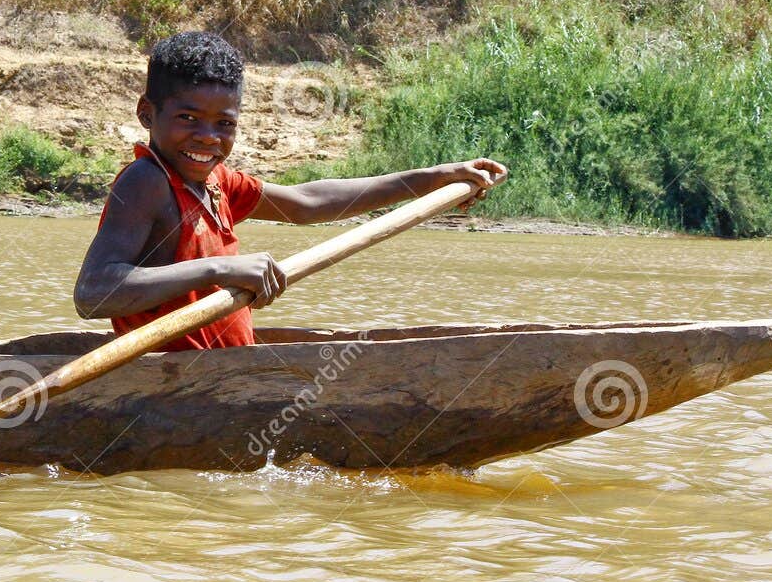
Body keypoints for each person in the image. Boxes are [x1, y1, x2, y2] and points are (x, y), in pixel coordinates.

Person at [74, 31, 507, 350]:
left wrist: (428, 179)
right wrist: (220, 269)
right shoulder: (147, 181)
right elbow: (94, 293)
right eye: (188, 118)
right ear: (147, 114)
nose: (208, 137)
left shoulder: (216, 183)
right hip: (173, 387)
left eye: (224, 123)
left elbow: (307, 203)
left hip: (221, 378)